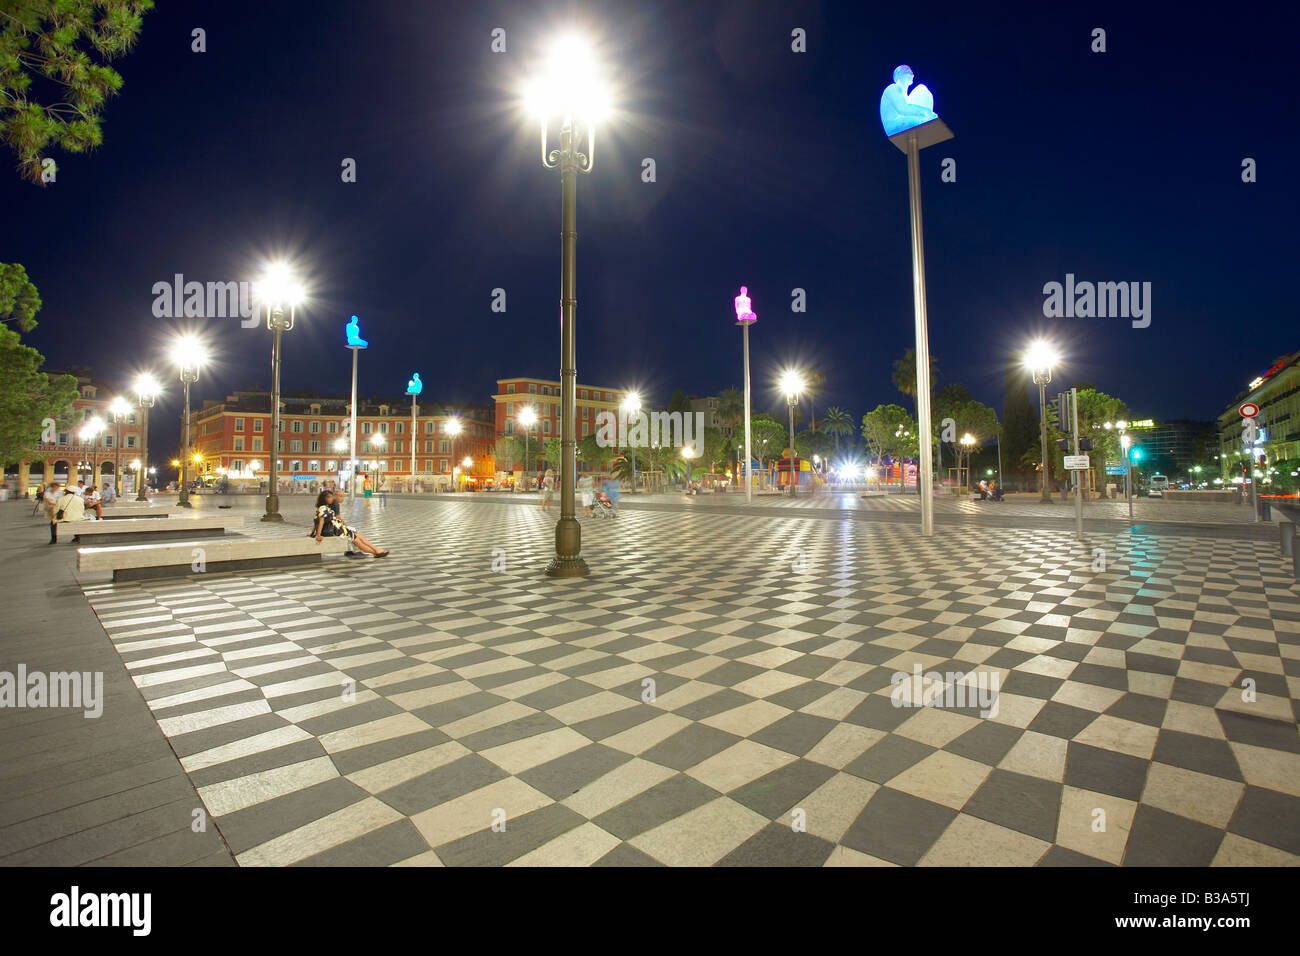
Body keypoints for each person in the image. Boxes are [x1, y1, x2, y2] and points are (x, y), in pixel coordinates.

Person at [312, 489, 388, 557]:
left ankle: (376, 550)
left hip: (337, 529)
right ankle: (376, 551)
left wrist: (313, 532)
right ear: (324, 498)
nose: (332, 499)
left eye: (331, 497)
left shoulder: (325, 507)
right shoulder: (323, 508)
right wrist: (318, 534)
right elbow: (321, 521)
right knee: (358, 540)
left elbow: (317, 521)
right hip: (334, 531)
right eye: (329, 497)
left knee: (359, 537)